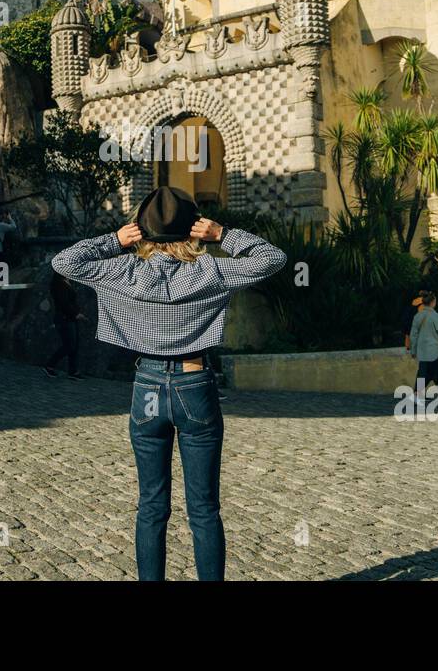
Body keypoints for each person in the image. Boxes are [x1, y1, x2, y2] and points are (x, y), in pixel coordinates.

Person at [52, 186, 286, 581]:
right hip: (195, 385)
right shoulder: (211, 270)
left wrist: (113, 240)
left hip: (146, 386)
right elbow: (272, 258)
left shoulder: (122, 270)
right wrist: (223, 235)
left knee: (151, 506)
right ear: (193, 229)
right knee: (204, 509)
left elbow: (64, 262)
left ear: (141, 230)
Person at [408, 291, 438, 410]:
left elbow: (413, 335)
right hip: (433, 351)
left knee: (434, 372)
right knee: (429, 373)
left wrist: (413, 350)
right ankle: (416, 394)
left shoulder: (417, 316)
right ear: (433, 302)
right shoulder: (435, 316)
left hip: (421, 350)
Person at [43, 272, 85, 379]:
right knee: (69, 345)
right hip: (64, 318)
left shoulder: (66, 281)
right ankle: (49, 365)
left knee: (74, 345)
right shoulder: (59, 284)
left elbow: (70, 301)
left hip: (70, 318)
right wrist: (76, 314)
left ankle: (73, 371)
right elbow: (63, 303)